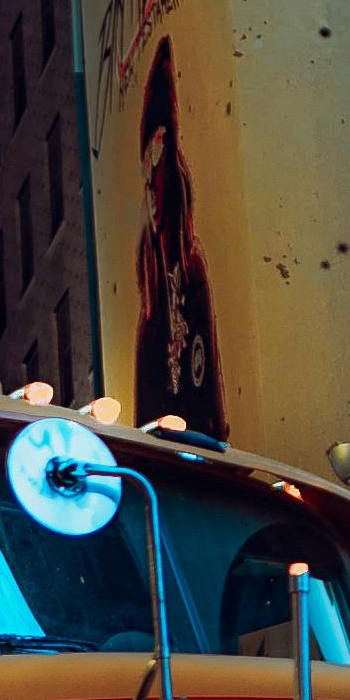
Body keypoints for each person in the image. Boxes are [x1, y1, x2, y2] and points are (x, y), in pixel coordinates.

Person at [132, 35, 226, 434]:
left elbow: (212, 402)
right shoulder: (150, 303)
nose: (152, 187)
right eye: (145, 169)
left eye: (158, 164)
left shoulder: (192, 272)